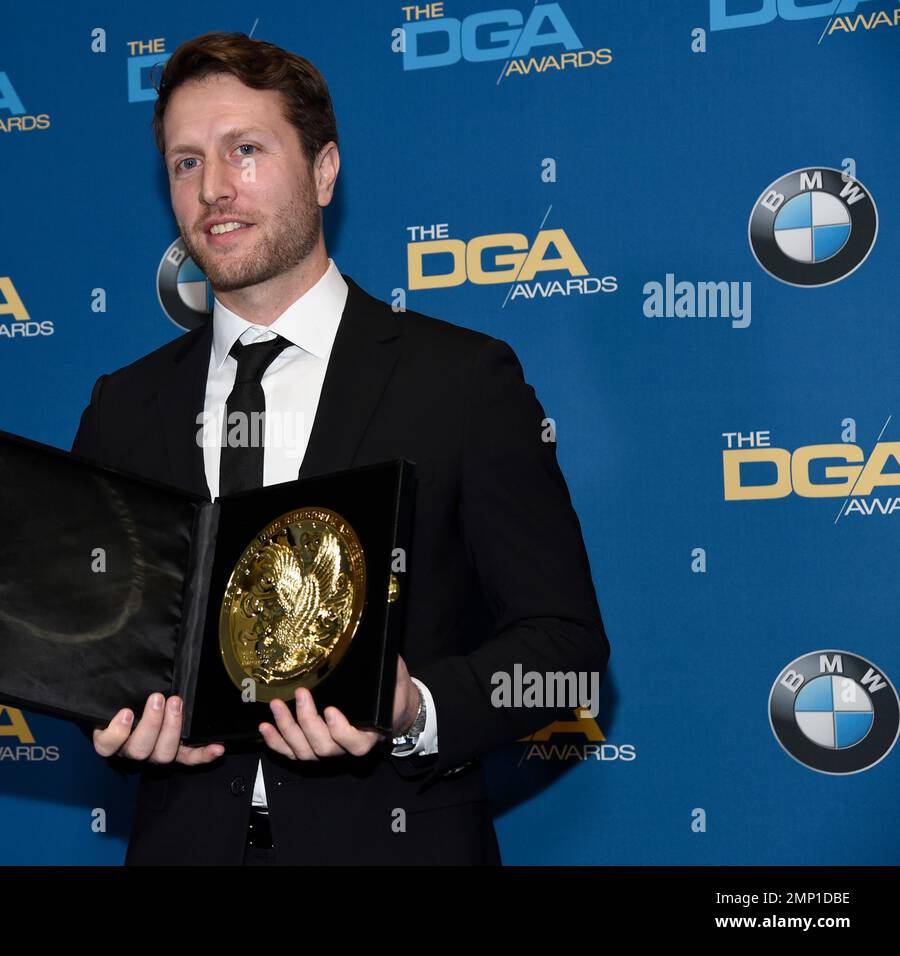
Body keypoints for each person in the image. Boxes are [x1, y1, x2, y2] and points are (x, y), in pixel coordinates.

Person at [72, 31, 609, 865]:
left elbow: (567, 654)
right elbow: (90, 639)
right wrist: (108, 716)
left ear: (324, 171)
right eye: (185, 162)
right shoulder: (124, 405)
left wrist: (414, 709)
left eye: (244, 150)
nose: (213, 188)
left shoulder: (461, 382)